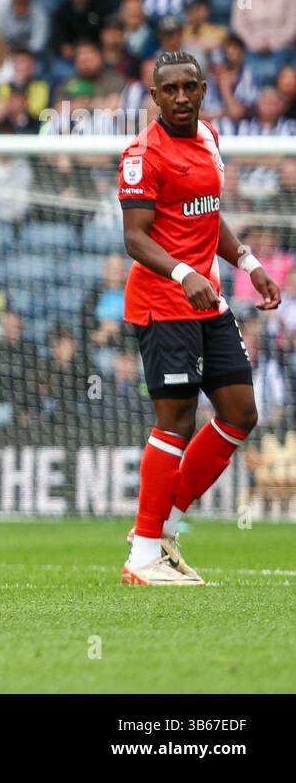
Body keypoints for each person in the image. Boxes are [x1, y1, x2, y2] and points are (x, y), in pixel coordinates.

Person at [118, 50, 281, 586]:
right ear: (155, 96)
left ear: (203, 90)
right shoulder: (143, 154)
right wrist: (185, 273)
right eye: (171, 89)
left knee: (239, 412)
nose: (182, 97)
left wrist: (249, 262)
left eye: (191, 87)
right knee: (177, 422)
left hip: (207, 299)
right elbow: (136, 237)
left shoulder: (209, 138)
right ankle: (143, 557)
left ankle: (162, 526)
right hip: (164, 303)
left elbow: (208, 216)